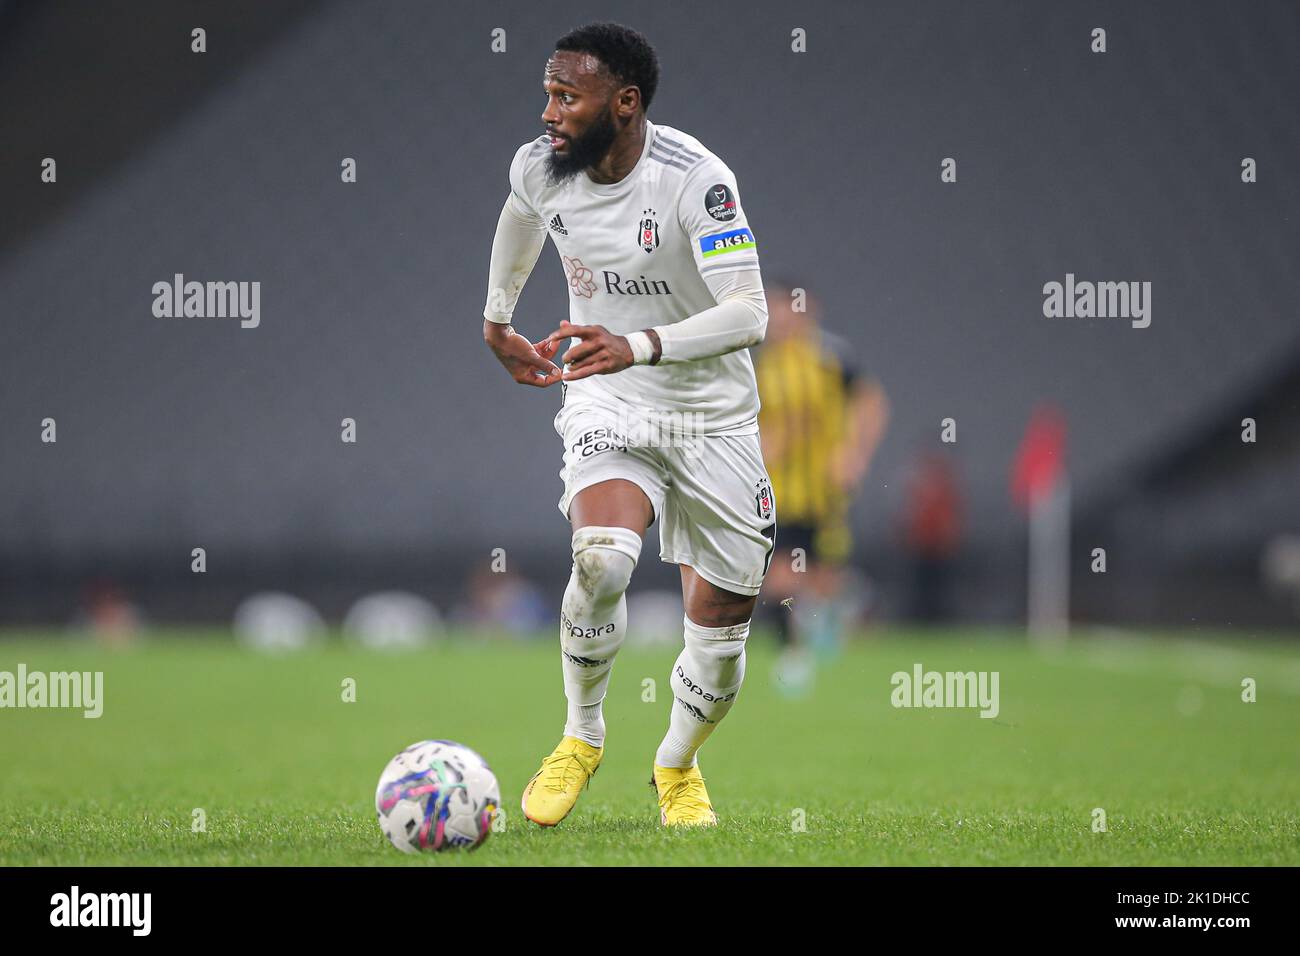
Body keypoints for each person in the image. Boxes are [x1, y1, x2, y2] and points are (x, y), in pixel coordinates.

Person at [481, 23, 773, 827]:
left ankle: (677, 764)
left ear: (625, 102)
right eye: (548, 92)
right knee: (603, 558)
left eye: (567, 97)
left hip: (712, 418)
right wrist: (497, 316)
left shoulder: (696, 180)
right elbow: (520, 214)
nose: (549, 111)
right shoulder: (541, 166)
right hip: (610, 398)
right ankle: (580, 735)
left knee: (721, 624)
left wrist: (639, 344)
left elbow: (750, 314)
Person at [755, 281, 888, 688]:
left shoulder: (831, 357)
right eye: (773, 310)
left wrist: (855, 454)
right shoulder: (762, 364)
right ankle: (795, 656)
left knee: (822, 576)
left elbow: (872, 403)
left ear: (806, 310)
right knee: (779, 576)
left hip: (824, 490)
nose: (780, 319)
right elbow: (752, 422)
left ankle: (833, 622)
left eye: (786, 309)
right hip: (780, 491)